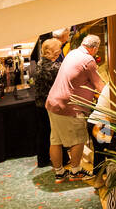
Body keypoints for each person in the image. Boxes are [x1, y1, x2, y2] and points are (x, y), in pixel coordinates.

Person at [45, 34, 103, 182]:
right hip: (69, 107)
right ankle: (75, 171)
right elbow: (100, 86)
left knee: (56, 140)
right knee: (79, 139)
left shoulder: (72, 53)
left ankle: (59, 172)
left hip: (53, 102)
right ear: (94, 48)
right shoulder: (88, 60)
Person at [31, 37, 63, 168]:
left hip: (39, 103)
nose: (60, 51)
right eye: (59, 49)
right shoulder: (54, 68)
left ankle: (42, 159)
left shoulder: (40, 63)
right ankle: (53, 160)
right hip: (48, 105)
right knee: (52, 134)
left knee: (43, 132)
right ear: (55, 52)